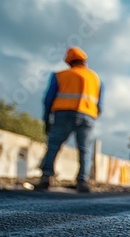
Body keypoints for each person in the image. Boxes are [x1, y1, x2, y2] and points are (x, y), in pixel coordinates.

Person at [37, 47, 103, 193]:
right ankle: (82, 181)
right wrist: (92, 116)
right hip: (87, 116)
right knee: (84, 149)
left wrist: (47, 118)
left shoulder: (60, 75)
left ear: (68, 61)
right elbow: (100, 105)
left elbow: (48, 99)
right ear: (84, 61)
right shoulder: (96, 78)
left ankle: (46, 177)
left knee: (54, 145)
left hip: (63, 114)